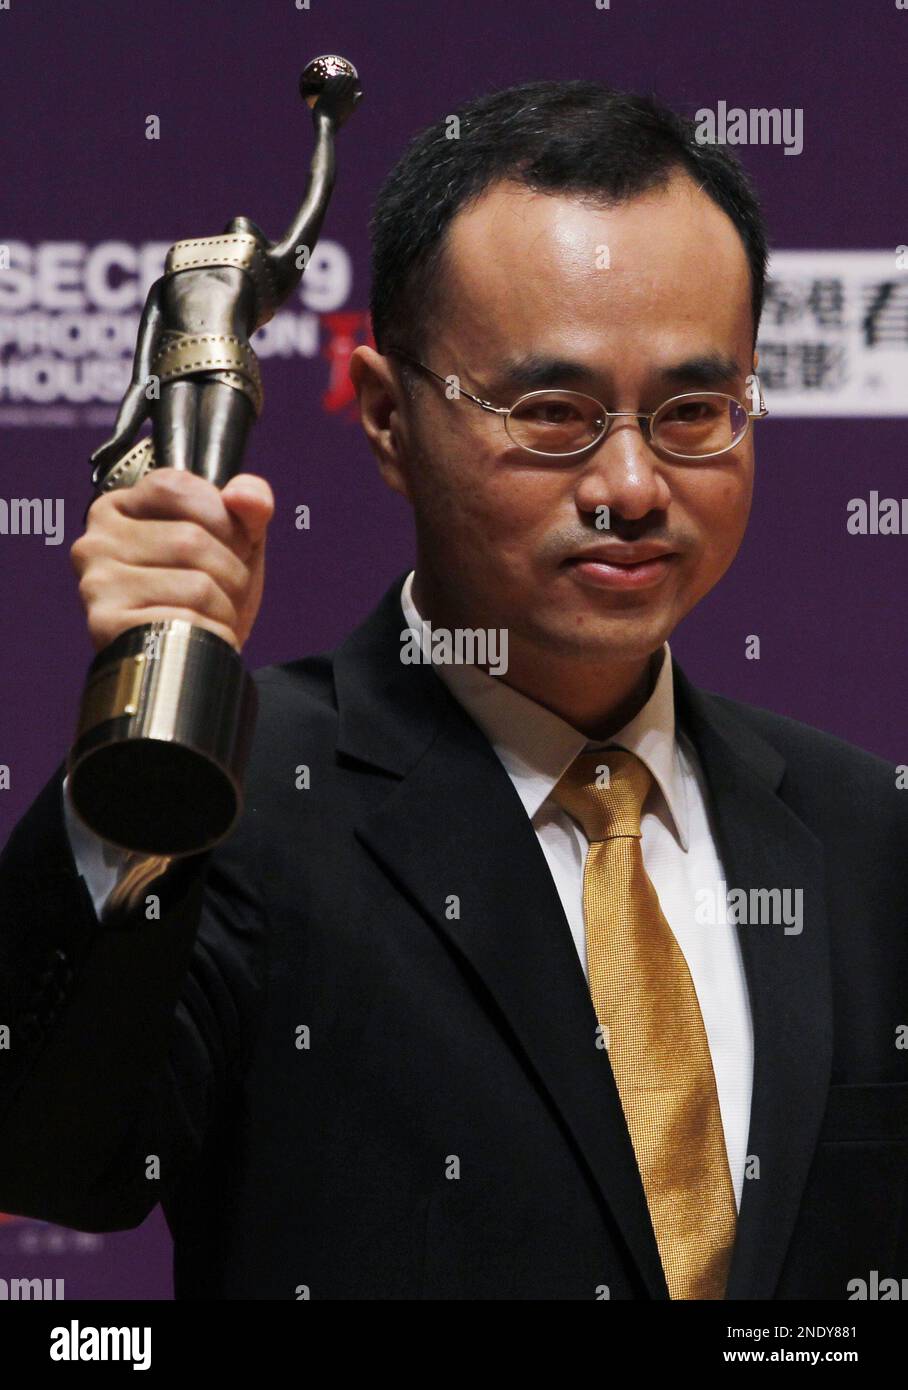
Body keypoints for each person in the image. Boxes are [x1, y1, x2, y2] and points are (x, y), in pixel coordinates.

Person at [1, 79, 906, 1301]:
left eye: (693, 410)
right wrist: (143, 730)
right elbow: (53, 1159)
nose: (631, 483)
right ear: (385, 417)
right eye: (553, 412)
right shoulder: (241, 804)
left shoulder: (865, 836)